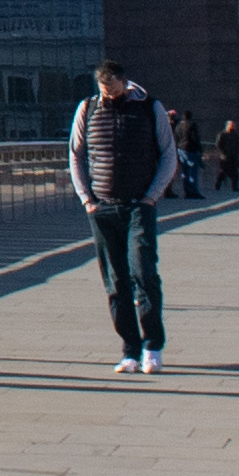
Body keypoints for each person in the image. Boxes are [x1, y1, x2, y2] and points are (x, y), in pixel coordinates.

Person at [66, 61, 189, 376]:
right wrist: (87, 199)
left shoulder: (150, 107)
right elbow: (76, 153)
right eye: (104, 91)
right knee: (115, 281)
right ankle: (130, 350)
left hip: (138, 206)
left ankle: (153, 346)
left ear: (125, 84)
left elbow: (168, 153)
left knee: (144, 273)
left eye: (114, 90)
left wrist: (151, 197)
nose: (109, 97)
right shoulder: (88, 108)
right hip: (102, 208)